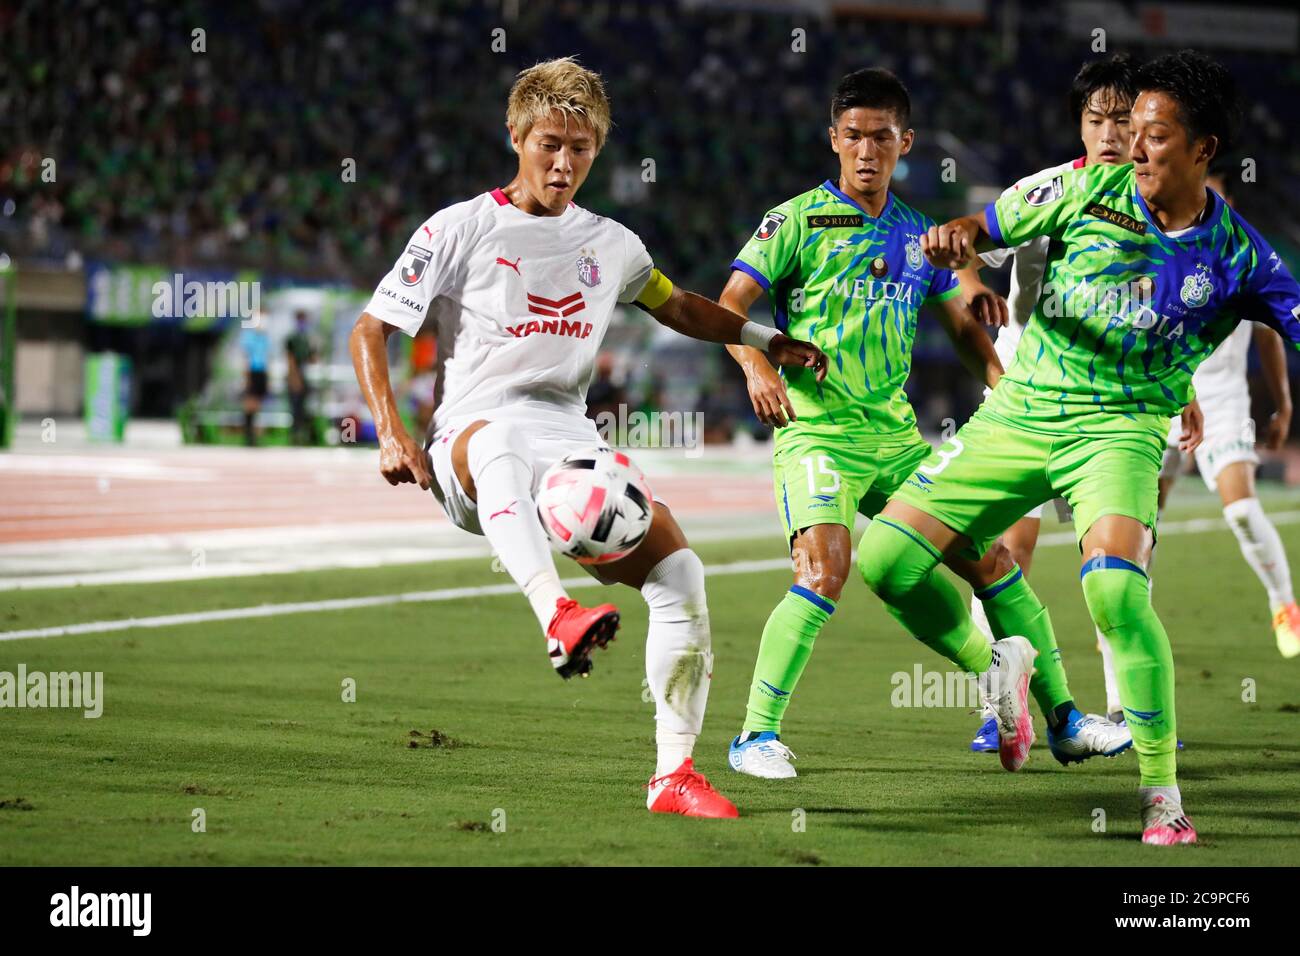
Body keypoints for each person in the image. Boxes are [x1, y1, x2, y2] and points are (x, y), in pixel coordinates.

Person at [349, 57, 826, 818]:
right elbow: (371, 329)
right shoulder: (458, 227)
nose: (563, 163)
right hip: (470, 446)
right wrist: (390, 433)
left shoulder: (613, 244)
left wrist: (765, 338)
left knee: (681, 574)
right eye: (548, 144)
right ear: (516, 135)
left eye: (580, 148)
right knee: (501, 431)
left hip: (567, 444)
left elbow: (680, 307)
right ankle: (555, 613)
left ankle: (674, 776)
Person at [858, 50, 1300, 844]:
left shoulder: (1242, 257)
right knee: (885, 563)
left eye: (1154, 136)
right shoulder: (1081, 185)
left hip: (1119, 432)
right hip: (1021, 412)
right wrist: (956, 238)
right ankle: (1003, 664)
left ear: (1202, 151)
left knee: (1116, 593)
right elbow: (982, 224)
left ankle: (1161, 794)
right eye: (1128, 130)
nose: (1134, 147)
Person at [720, 67, 1127, 780]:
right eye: (853, 137)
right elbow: (729, 304)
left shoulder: (915, 234)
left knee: (990, 560)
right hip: (819, 435)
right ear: (834, 140)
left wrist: (1005, 388)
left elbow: (967, 329)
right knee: (826, 570)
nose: (867, 151)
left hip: (898, 439)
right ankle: (755, 735)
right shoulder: (795, 221)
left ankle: (1063, 720)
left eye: (882, 137)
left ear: (905, 142)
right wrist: (756, 367)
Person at [956, 55, 1190, 755]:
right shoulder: (1042, 192)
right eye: (1098, 120)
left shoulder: (1159, 208)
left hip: (1110, 415)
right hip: (1026, 406)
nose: (1111, 133)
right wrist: (971, 292)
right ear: (1079, 125)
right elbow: (960, 241)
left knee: (1118, 567)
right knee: (1000, 555)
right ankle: (1004, 704)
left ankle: (1125, 708)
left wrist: (1186, 396)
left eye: (1124, 119)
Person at [1154, 167, 1300, 665]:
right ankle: (1129, 625)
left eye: (1212, 196)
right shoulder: (1158, 245)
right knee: (1140, 525)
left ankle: (1284, 603)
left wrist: (1283, 400)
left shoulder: (1244, 255)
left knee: (1239, 510)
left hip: (1223, 401)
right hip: (1162, 397)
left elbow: (1269, 332)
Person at [285, 310, 317, 446]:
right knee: (295, 408)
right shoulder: (292, 337)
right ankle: (295, 436)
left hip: (305, 376)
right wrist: (294, 378)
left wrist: (315, 346)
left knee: (305, 408)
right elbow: (290, 359)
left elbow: (312, 359)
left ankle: (305, 436)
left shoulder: (307, 338)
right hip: (295, 375)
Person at [239, 318, 270, 447]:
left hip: (261, 372)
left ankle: (254, 435)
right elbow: (246, 358)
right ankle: (248, 435)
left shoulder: (265, 338)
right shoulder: (248, 337)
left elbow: (266, 358)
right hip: (252, 372)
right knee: (250, 404)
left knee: (257, 404)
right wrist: (247, 377)